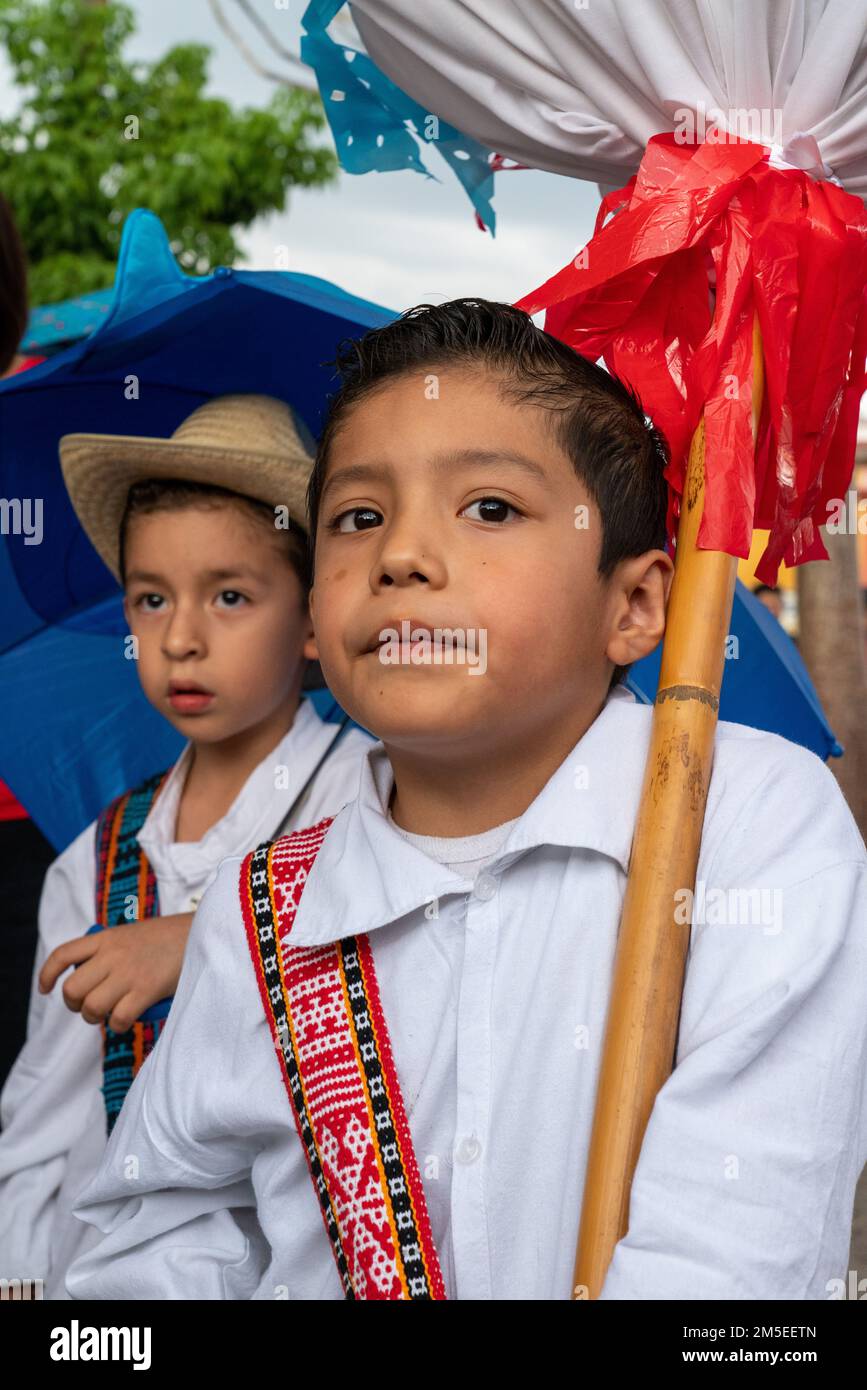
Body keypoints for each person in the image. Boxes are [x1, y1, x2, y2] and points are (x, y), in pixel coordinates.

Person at [66, 300, 867, 1301]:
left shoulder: (746, 824)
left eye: (489, 507)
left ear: (635, 605)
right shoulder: (259, 909)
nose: (400, 556)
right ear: (314, 611)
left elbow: (738, 1266)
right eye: (358, 518)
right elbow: (144, 1225)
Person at [0, 393, 374, 1299]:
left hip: (294, 1256)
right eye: (151, 597)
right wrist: (18, 1263)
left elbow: (410, 955)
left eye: (231, 596)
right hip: (101, 1279)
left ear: (317, 624)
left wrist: (204, 939)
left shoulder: (372, 796)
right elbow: (46, 1098)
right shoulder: (91, 860)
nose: (181, 638)